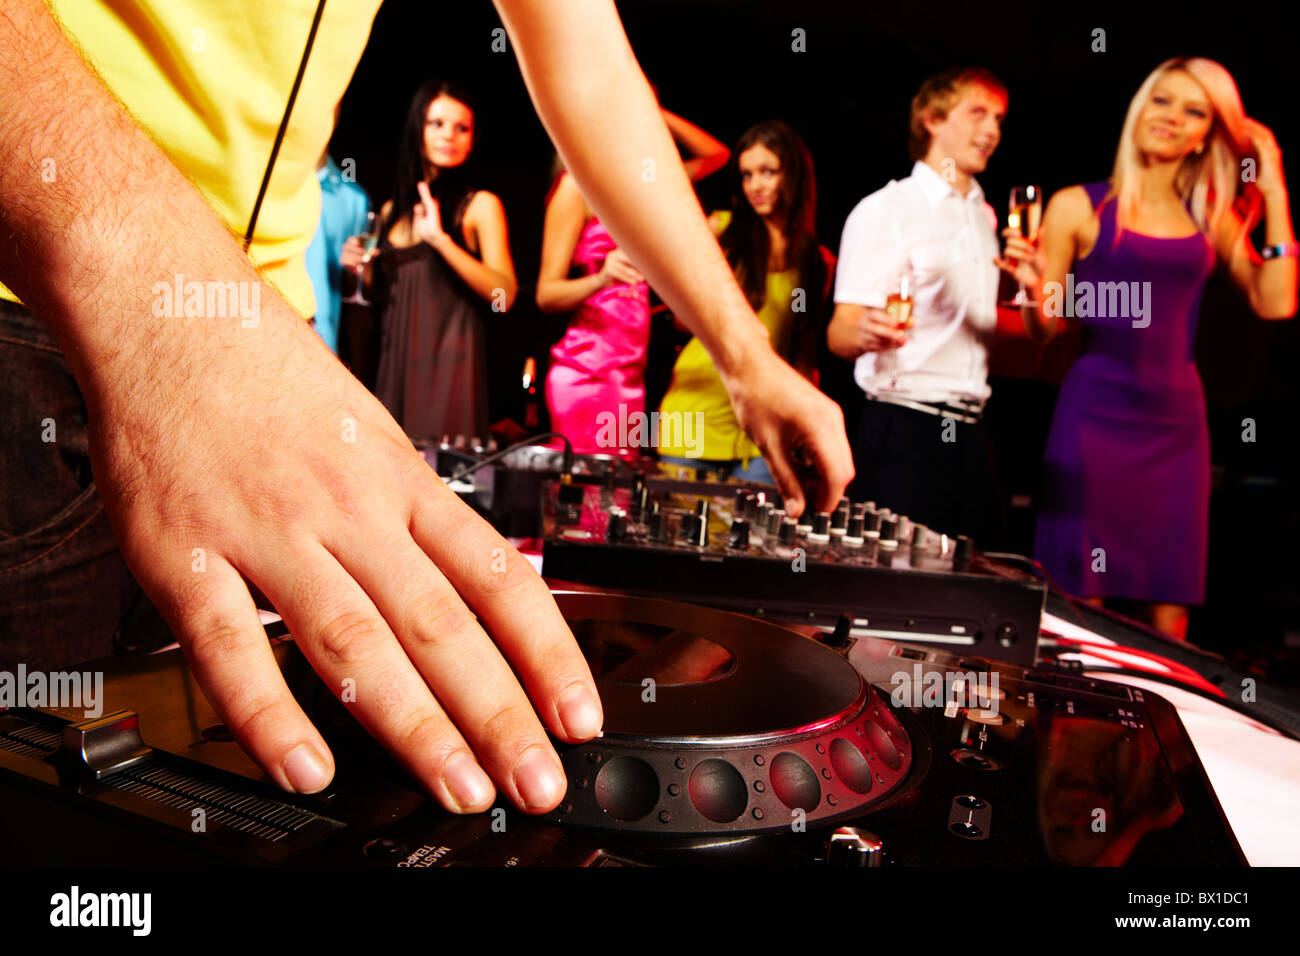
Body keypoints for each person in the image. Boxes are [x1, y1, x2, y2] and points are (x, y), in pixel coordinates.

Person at [0, 0, 852, 817]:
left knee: (216, 776)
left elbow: (587, 68)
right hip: (46, 304)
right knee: (37, 759)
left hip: (263, 349)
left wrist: (747, 357)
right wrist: (161, 299)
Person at [998, 57, 1296, 640]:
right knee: (1076, 610)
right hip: (1092, 418)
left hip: (1177, 426)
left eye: (1194, 112)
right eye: (1162, 100)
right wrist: (1035, 293)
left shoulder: (1211, 214)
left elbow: (1275, 302)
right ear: (1140, 106)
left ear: (1205, 135)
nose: (1171, 118)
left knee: (1170, 608)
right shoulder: (1076, 206)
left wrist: (1276, 185)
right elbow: (1045, 330)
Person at [827, 67, 1008, 541]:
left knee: (968, 596)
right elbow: (839, 332)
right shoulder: (886, 210)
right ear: (932, 119)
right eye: (977, 113)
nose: (991, 130)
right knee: (893, 594)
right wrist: (865, 332)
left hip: (971, 432)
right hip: (905, 426)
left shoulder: (986, 217)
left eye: (999, 119)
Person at [537, 106, 729, 456]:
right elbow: (546, 293)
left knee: (615, 497)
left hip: (629, 372)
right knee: (589, 500)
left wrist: (651, 109)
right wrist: (601, 278)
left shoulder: (647, 186)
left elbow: (717, 155)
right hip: (588, 370)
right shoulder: (575, 185)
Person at [657, 120, 833, 482]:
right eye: (747, 175)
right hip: (695, 411)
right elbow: (680, 318)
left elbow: (803, 357)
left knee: (757, 535)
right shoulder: (721, 230)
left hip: (765, 424)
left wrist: (810, 428)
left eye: (768, 172)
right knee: (675, 533)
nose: (756, 185)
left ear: (794, 174)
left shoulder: (815, 259)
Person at [355, 81, 516, 442]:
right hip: (394, 368)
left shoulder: (480, 205)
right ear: (418, 129)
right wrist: (361, 268)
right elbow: (382, 300)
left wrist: (441, 241)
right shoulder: (389, 211)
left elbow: (504, 296)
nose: (450, 136)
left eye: (462, 128)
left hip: (448, 372)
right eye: (437, 124)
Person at [305, 144, 372, 356]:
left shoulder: (354, 199)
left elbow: (359, 295)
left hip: (324, 349)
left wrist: (356, 273)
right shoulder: (260, 186)